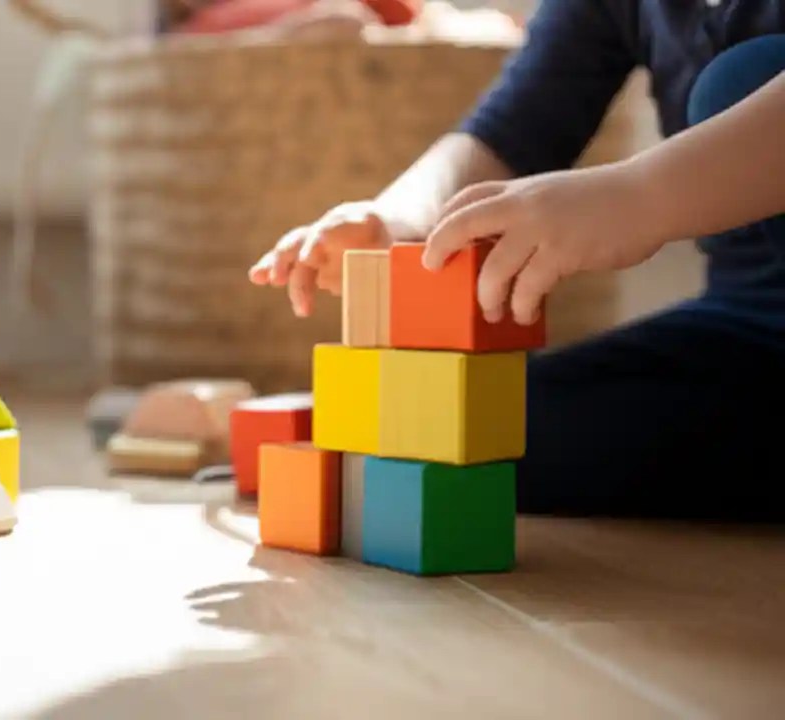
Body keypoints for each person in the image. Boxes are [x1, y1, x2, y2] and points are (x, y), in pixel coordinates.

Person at [248, 0, 785, 521]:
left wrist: (640, 197)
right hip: (748, 334)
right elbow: (513, 129)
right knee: (476, 434)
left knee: (742, 78)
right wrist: (394, 219)